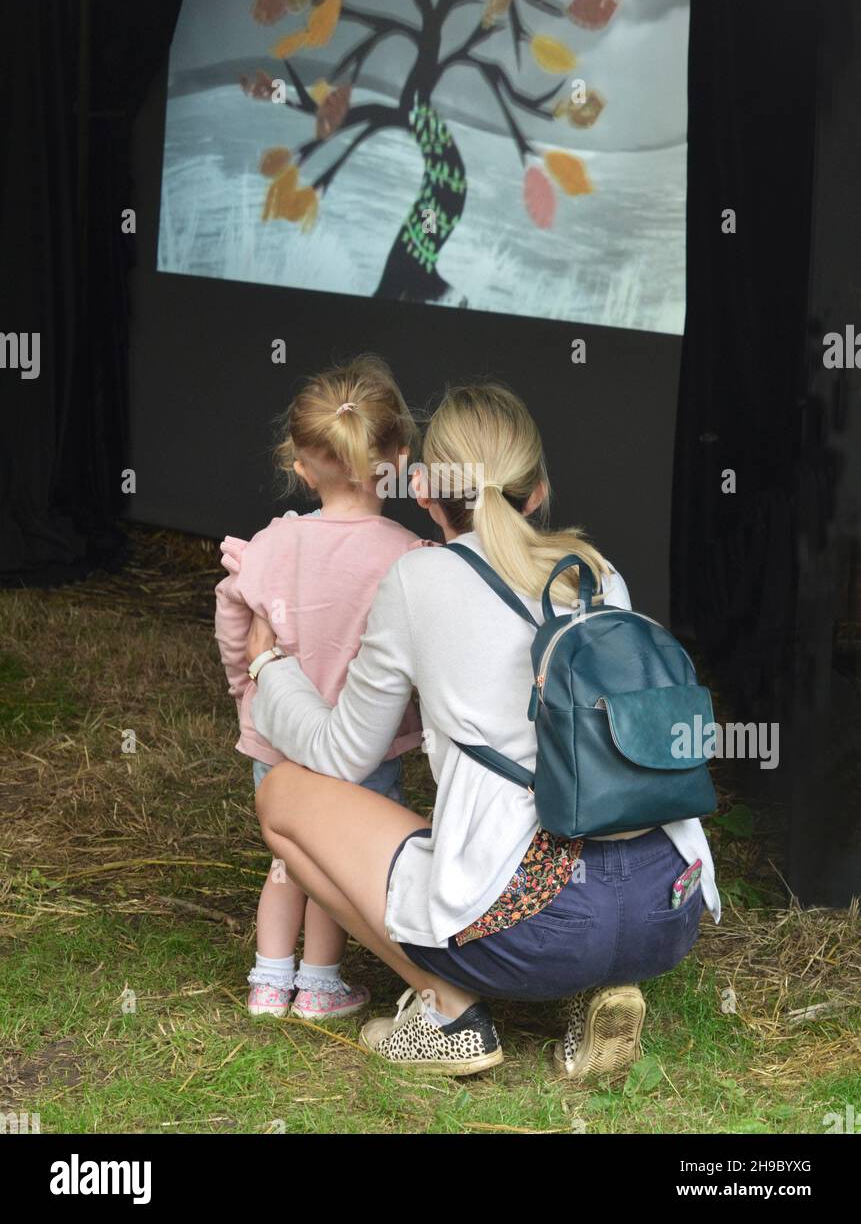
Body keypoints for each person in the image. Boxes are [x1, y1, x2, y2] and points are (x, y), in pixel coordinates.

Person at [249, 382, 721, 1076]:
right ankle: (591, 991)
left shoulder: (418, 579)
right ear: (538, 491)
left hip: (537, 924)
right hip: (664, 906)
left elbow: (342, 755)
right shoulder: (598, 574)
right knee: (584, 878)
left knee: (284, 795)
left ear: (421, 488)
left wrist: (270, 667)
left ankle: (446, 1012)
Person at [214, 355, 429, 1021]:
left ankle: (269, 981)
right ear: (396, 458)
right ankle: (320, 984)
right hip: (365, 754)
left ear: (301, 467)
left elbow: (232, 614)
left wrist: (243, 688)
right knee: (335, 867)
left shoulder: (273, 543)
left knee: (288, 856)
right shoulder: (407, 557)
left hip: (276, 740)